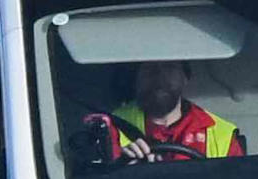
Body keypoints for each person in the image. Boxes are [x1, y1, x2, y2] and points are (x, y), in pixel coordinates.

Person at [89, 58, 245, 163]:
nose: (159, 77)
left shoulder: (221, 135)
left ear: (185, 78)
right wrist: (122, 170)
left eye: (169, 67)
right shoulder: (108, 128)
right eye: (150, 68)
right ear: (137, 78)